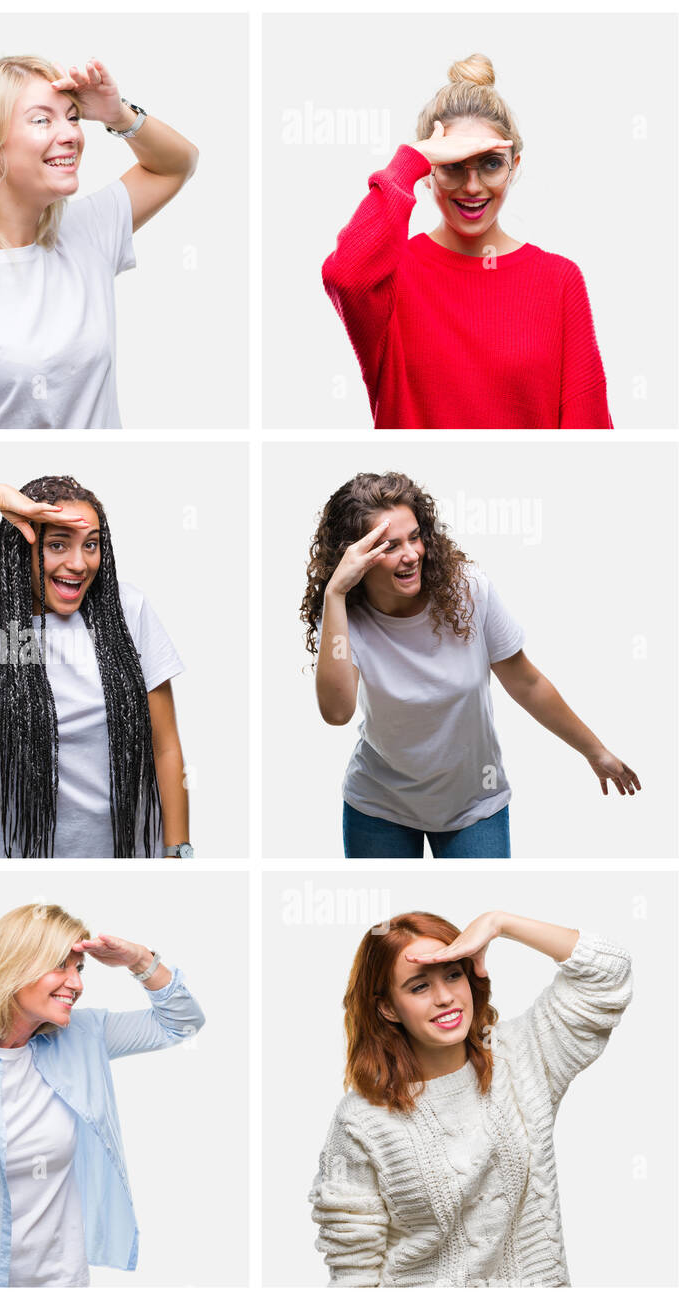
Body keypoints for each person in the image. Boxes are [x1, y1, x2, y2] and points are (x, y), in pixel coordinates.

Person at [301, 471, 639, 857]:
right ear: (355, 556)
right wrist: (335, 593)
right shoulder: (343, 617)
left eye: (414, 537)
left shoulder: (468, 590)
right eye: (389, 546)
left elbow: (526, 683)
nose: (411, 553)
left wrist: (595, 751)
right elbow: (337, 712)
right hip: (379, 806)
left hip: (474, 803)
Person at [0, 903, 204, 1286]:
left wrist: (140, 960)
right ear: (15, 966)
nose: (77, 984)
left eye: (78, 969)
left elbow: (182, 1022)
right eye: (60, 966)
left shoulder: (82, 1036)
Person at [309, 910, 632, 1286]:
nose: (445, 997)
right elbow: (353, 1271)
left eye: (453, 974)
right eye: (419, 987)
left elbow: (609, 973)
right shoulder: (361, 1120)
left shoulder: (522, 1057)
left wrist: (500, 923)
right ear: (387, 1007)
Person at [0, 55, 198, 428]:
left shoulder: (88, 231)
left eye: (73, 116)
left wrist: (117, 115)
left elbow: (177, 163)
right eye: (42, 120)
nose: (71, 135)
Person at [0, 475, 190, 857]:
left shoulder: (127, 612)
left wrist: (178, 854)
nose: (78, 563)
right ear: (24, 547)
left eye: (91, 545)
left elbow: (165, 746)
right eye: (57, 545)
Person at [322, 54, 611, 428]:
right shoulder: (393, 274)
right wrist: (410, 161)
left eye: (490, 163)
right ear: (429, 172)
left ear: (515, 167)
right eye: (453, 165)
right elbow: (345, 276)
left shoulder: (559, 280)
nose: (472, 187)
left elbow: (588, 435)